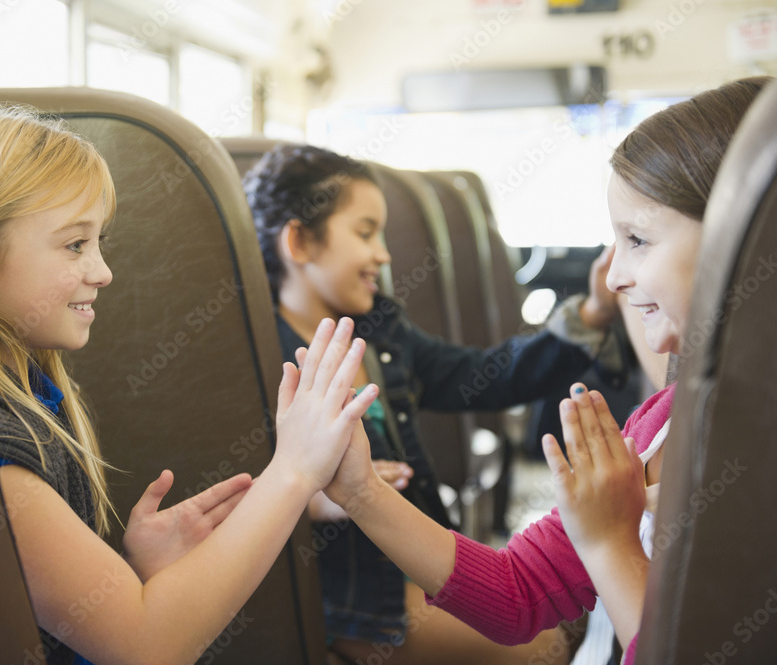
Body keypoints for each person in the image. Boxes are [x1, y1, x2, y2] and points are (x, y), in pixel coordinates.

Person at [0, 96, 379, 665]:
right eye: (75, 244)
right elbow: (149, 647)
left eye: (99, 242)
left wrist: (136, 577)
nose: (102, 272)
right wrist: (296, 470)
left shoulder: (26, 398)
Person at [320, 76, 772, 665]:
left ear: (745, 242)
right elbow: (517, 593)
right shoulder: (658, 421)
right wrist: (360, 492)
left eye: (638, 240)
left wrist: (611, 544)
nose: (613, 278)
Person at [243, 144, 626, 663]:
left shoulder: (382, 332)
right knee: (547, 644)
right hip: (358, 603)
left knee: (559, 619)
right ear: (299, 241)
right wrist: (310, 499)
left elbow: (487, 376)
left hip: (419, 562)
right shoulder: (254, 353)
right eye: (364, 232)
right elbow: (231, 489)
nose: (382, 253)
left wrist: (593, 313)